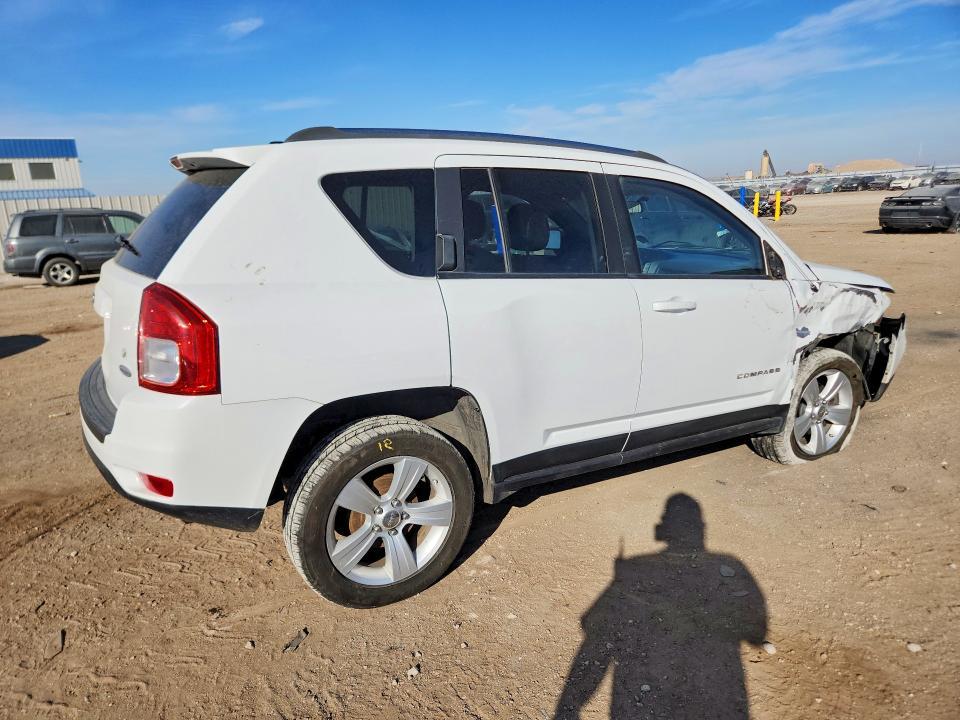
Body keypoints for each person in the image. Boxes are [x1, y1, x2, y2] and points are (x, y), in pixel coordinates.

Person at [554, 494, 768, 719]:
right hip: (718, 696)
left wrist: (570, 706)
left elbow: (593, 627)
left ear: (663, 528)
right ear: (701, 528)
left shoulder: (635, 568)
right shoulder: (730, 564)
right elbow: (756, 634)